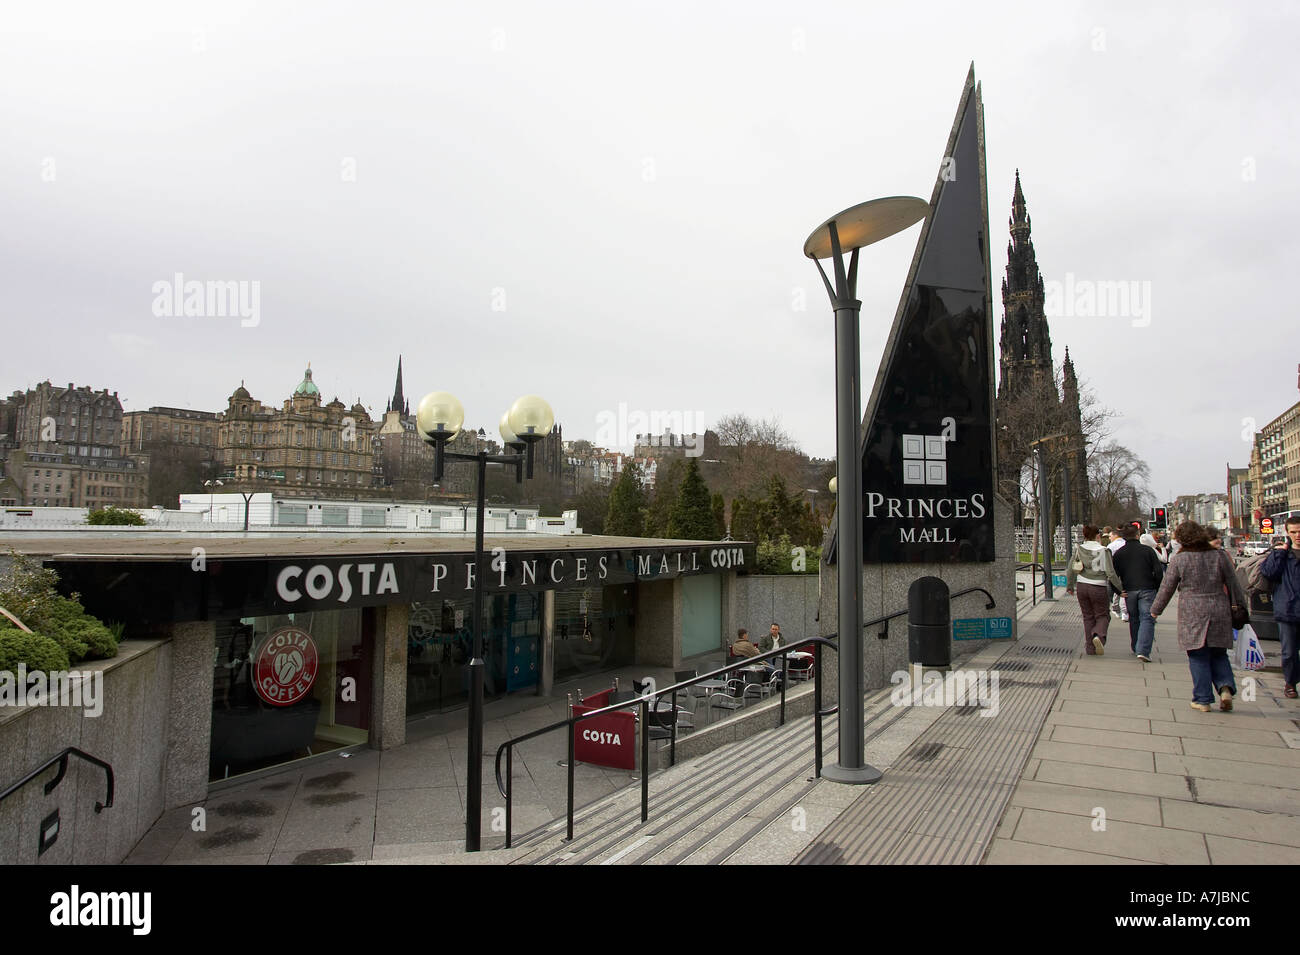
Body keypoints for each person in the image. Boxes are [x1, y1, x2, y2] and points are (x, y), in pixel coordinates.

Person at [1151, 521, 1247, 712]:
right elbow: (1234, 583)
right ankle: (1225, 687)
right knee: (1219, 653)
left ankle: (1202, 699)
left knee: (1198, 655)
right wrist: (1241, 607)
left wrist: (1156, 610)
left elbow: (1166, 588)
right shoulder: (1219, 556)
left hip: (1192, 612)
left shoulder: (1180, 560)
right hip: (1219, 608)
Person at [1259, 515, 1300, 698]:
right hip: (1288, 609)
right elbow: (1268, 573)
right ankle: (1290, 683)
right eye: (1294, 532)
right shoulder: (1281, 554)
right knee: (1289, 651)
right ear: (1287, 532)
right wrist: (1280, 554)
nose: (1298, 535)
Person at [1067, 525, 1123, 655]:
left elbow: (1071, 569)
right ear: (1098, 535)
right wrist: (1120, 589)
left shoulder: (1079, 549)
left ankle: (1090, 648)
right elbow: (1110, 572)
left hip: (1082, 585)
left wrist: (1070, 585)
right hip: (1098, 586)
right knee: (1103, 615)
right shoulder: (1104, 550)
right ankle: (1098, 635)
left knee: (1088, 617)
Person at [1114, 524, 1164, 660]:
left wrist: (1118, 591)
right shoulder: (1148, 551)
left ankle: (1136, 645)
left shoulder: (1119, 553)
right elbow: (1159, 571)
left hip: (1129, 590)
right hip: (1147, 588)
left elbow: (1113, 575)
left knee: (1134, 619)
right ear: (1137, 536)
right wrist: (1157, 587)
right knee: (1147, 618)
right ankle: (1143, 650)